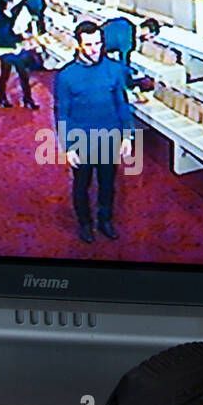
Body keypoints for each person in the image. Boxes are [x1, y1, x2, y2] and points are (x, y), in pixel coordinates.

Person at [54, 20, 134, 244]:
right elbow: (62, 114)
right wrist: (67, 147)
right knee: (82, 185)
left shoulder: (114, 69)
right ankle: (85, 224)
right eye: (88, 45)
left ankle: (105, 220)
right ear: (78, 45)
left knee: (108, 183)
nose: (94, 49)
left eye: (98, 43)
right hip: (81, 141)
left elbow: (121, 104)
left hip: (109, 138)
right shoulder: (66, 76)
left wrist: (128, 135)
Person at [0, 0, 42, 108]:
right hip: (6, 50)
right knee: (6, 74)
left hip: (12, 49)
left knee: (22, 74)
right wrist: (21, 39)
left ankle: (27, 99)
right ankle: (3, 98)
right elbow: (4, 35)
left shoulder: (9, 15)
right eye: (10, 3)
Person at [101, 15, 160, 88]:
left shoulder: (124, 21)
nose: (149, 40)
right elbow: (124, 63)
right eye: (151, 36)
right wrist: (134, 73)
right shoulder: (129, 42)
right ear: (147, 31)